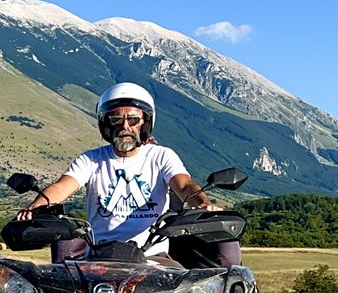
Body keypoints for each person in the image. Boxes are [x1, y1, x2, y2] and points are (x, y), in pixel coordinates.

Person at [15, 82, 226, 264]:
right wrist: (36, 206)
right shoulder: (91, 159)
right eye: (116, 120)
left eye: (133, 120)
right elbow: (63, 186)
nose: (125, 126)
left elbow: (184, 184)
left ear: (145, 123)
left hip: (153, 256)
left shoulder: (161, 156)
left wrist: (201, 203)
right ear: (106, 124)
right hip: (99, 257)